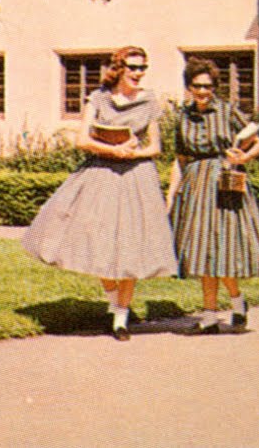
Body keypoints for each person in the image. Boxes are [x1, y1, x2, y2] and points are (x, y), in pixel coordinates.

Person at [23, 45, 177, 341]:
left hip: (136, 175)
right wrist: (112, 149)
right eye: (132, 67)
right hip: (102, 173)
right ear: (118, 68)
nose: (138, 73)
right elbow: (82, 139)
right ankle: (113, 301)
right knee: (97, 238)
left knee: (132, 243)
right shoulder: (98, 99)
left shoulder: (149, 101)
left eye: (142, 67)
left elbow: (155, 147)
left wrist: (131, 152)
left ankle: (121, 317)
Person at [165, 57, 259, 333]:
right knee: (201, 251)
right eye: (197, 86)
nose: (202, 91)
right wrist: (171, 193)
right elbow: (180, 159)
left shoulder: (227, 111)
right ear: (188, 87)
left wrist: (243, 156)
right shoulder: (182, 117)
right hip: (195, 184)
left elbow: (258, 142)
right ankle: (209, 316)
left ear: (215, 87)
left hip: (224, 183)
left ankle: (237, 300)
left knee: (222, 249)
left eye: (207, 86)